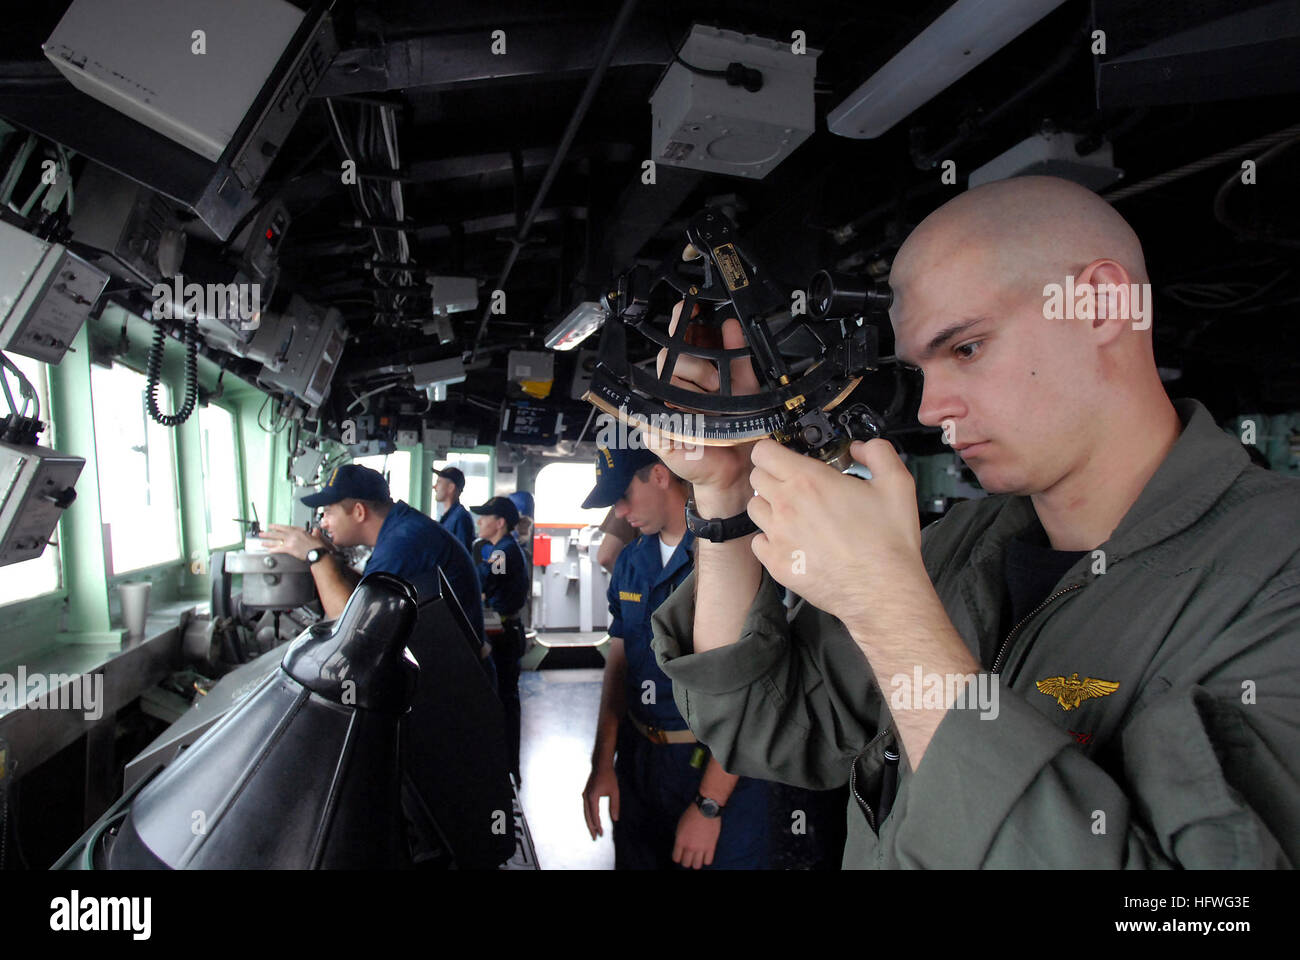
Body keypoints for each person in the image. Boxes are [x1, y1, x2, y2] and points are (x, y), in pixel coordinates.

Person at [647, 175, 1300, 868]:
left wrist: (888, 609)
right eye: (922, 368)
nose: (930, 410)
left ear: (1103, 303)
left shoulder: (1276, 577)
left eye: (965, 349)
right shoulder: (957, 547)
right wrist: (722, 491)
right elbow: (761, 723)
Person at [580, 444, 771, 870]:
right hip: (641, 760)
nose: (620, 510)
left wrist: (709, 805)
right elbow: (620, 664)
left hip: (715, 768)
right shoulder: (631, 562)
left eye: (624, 494)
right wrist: (603, 764)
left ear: (661, 474)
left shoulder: (729, 554)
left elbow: (753, 687)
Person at [260, 464, 487, 654]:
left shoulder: (403, 542)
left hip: (456, 683)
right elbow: (370, 591)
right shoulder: (401, 529)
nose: (323, 523)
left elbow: (350, 630)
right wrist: (331, 558)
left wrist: (317, 557)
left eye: (328, 512)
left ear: (359, 511)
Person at [472, 495, 531, 784]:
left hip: (504, 637)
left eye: (484, 517)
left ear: (500, 523)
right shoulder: (502, 548)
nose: (479, 522)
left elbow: (479, 581)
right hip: (506, 632)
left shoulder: (502, 552)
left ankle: (508, 772)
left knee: (504, 703)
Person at [434, 466, 476, 556]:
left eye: (439, 482)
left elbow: (462, 556)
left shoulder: (460, 517)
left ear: (451, 488)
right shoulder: (450, 516)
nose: (434, 487)